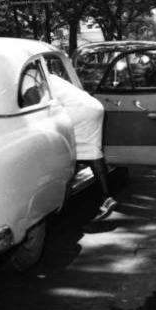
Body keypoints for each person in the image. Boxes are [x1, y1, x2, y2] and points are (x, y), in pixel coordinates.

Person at [49, 74, 118, 220]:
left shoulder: (28, 79)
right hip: (93, 106)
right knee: (92, 152)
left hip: (78, 111)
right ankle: (107, 197)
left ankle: (62, 201)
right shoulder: (50, 76)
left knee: (66, 148)